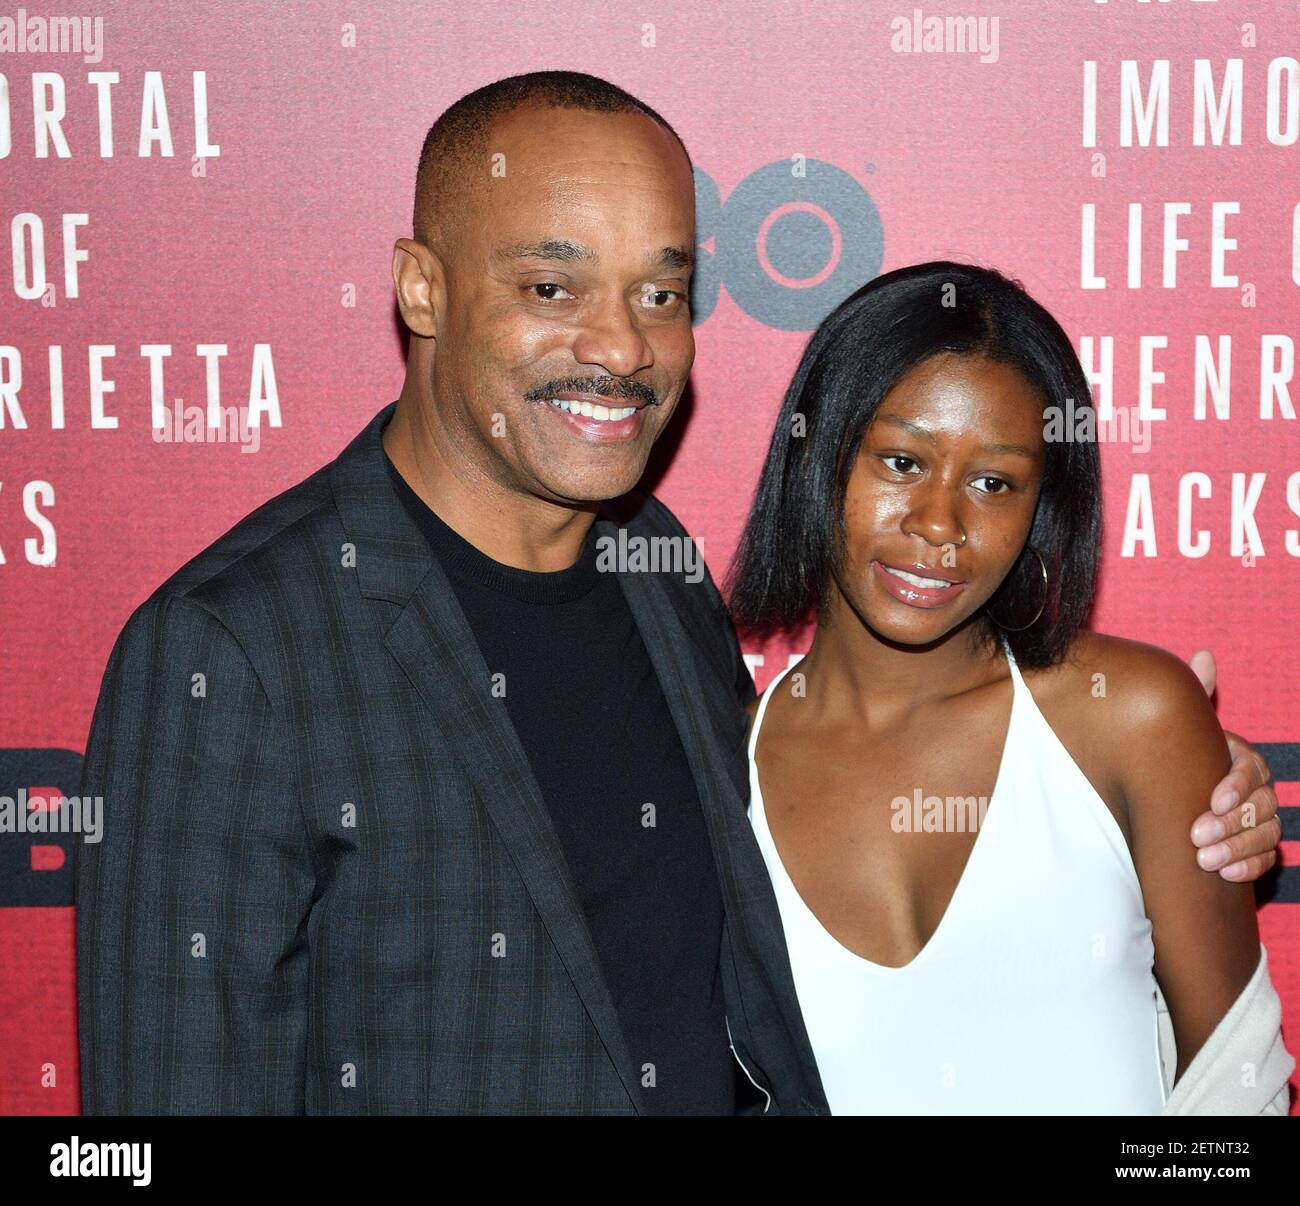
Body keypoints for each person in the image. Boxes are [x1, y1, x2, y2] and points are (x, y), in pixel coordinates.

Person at [75, 73, 1282, 1116]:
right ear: (423, 291)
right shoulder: (232, 650)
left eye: (660, 294)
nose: (621, 346)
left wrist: (1174, 778)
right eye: (553, 288)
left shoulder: (658, 582)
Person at [728, 261, 1293, 1114]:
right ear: (817, 458)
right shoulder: (719, 765)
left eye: (994, 482)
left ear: (1041, 508)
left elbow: (1236, 1090)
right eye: (902, 460)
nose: (940, 524)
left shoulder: (1129, 718)